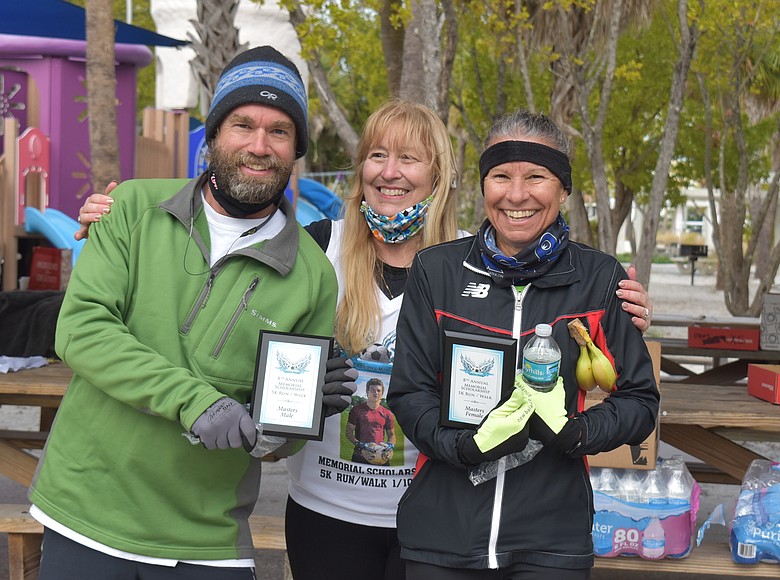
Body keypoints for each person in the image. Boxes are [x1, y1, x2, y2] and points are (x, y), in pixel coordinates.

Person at [76, 100, 654, 580]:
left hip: (436, 514)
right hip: (328, 512)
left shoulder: (471, 262)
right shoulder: (309, 248)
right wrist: (120, 215)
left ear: (441, 175)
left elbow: (568, 327)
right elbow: (218, 249)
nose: (391, 172)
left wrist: (619, 311)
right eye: (377, 156)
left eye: (410, 158)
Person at [29, 46, 341, 580]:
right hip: (85, 511)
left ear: (297, 150)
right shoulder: (130, 207)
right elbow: (81, 331)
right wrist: (195, 402)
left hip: (207, 539)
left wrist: (287, 426)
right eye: (242, 124)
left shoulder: (313, 274)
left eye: (280, 131)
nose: (259, 146)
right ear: (215, 133)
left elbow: (276, 443)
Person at [387, 110, 661, 579]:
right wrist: (466, 447)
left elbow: (640, 401)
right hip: (442, 535)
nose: (516, 195)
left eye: (536, 176)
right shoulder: (437, 271)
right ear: (484, 185)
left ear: (564, 189)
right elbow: (409, 394)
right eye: (500, 176)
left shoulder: (600, 279)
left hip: (551, 539)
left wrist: (580, 433)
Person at [347, 378, 396, 464]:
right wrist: (359, 445)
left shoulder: (387, 413)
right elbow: (349, 431)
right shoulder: (357, 410)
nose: (376, 393)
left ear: (382, 393)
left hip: (381, 456)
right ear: (367, 391)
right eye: (373, 390)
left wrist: (391, 445)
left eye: (378, 390)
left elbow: (391, 434)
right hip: (360, 455)